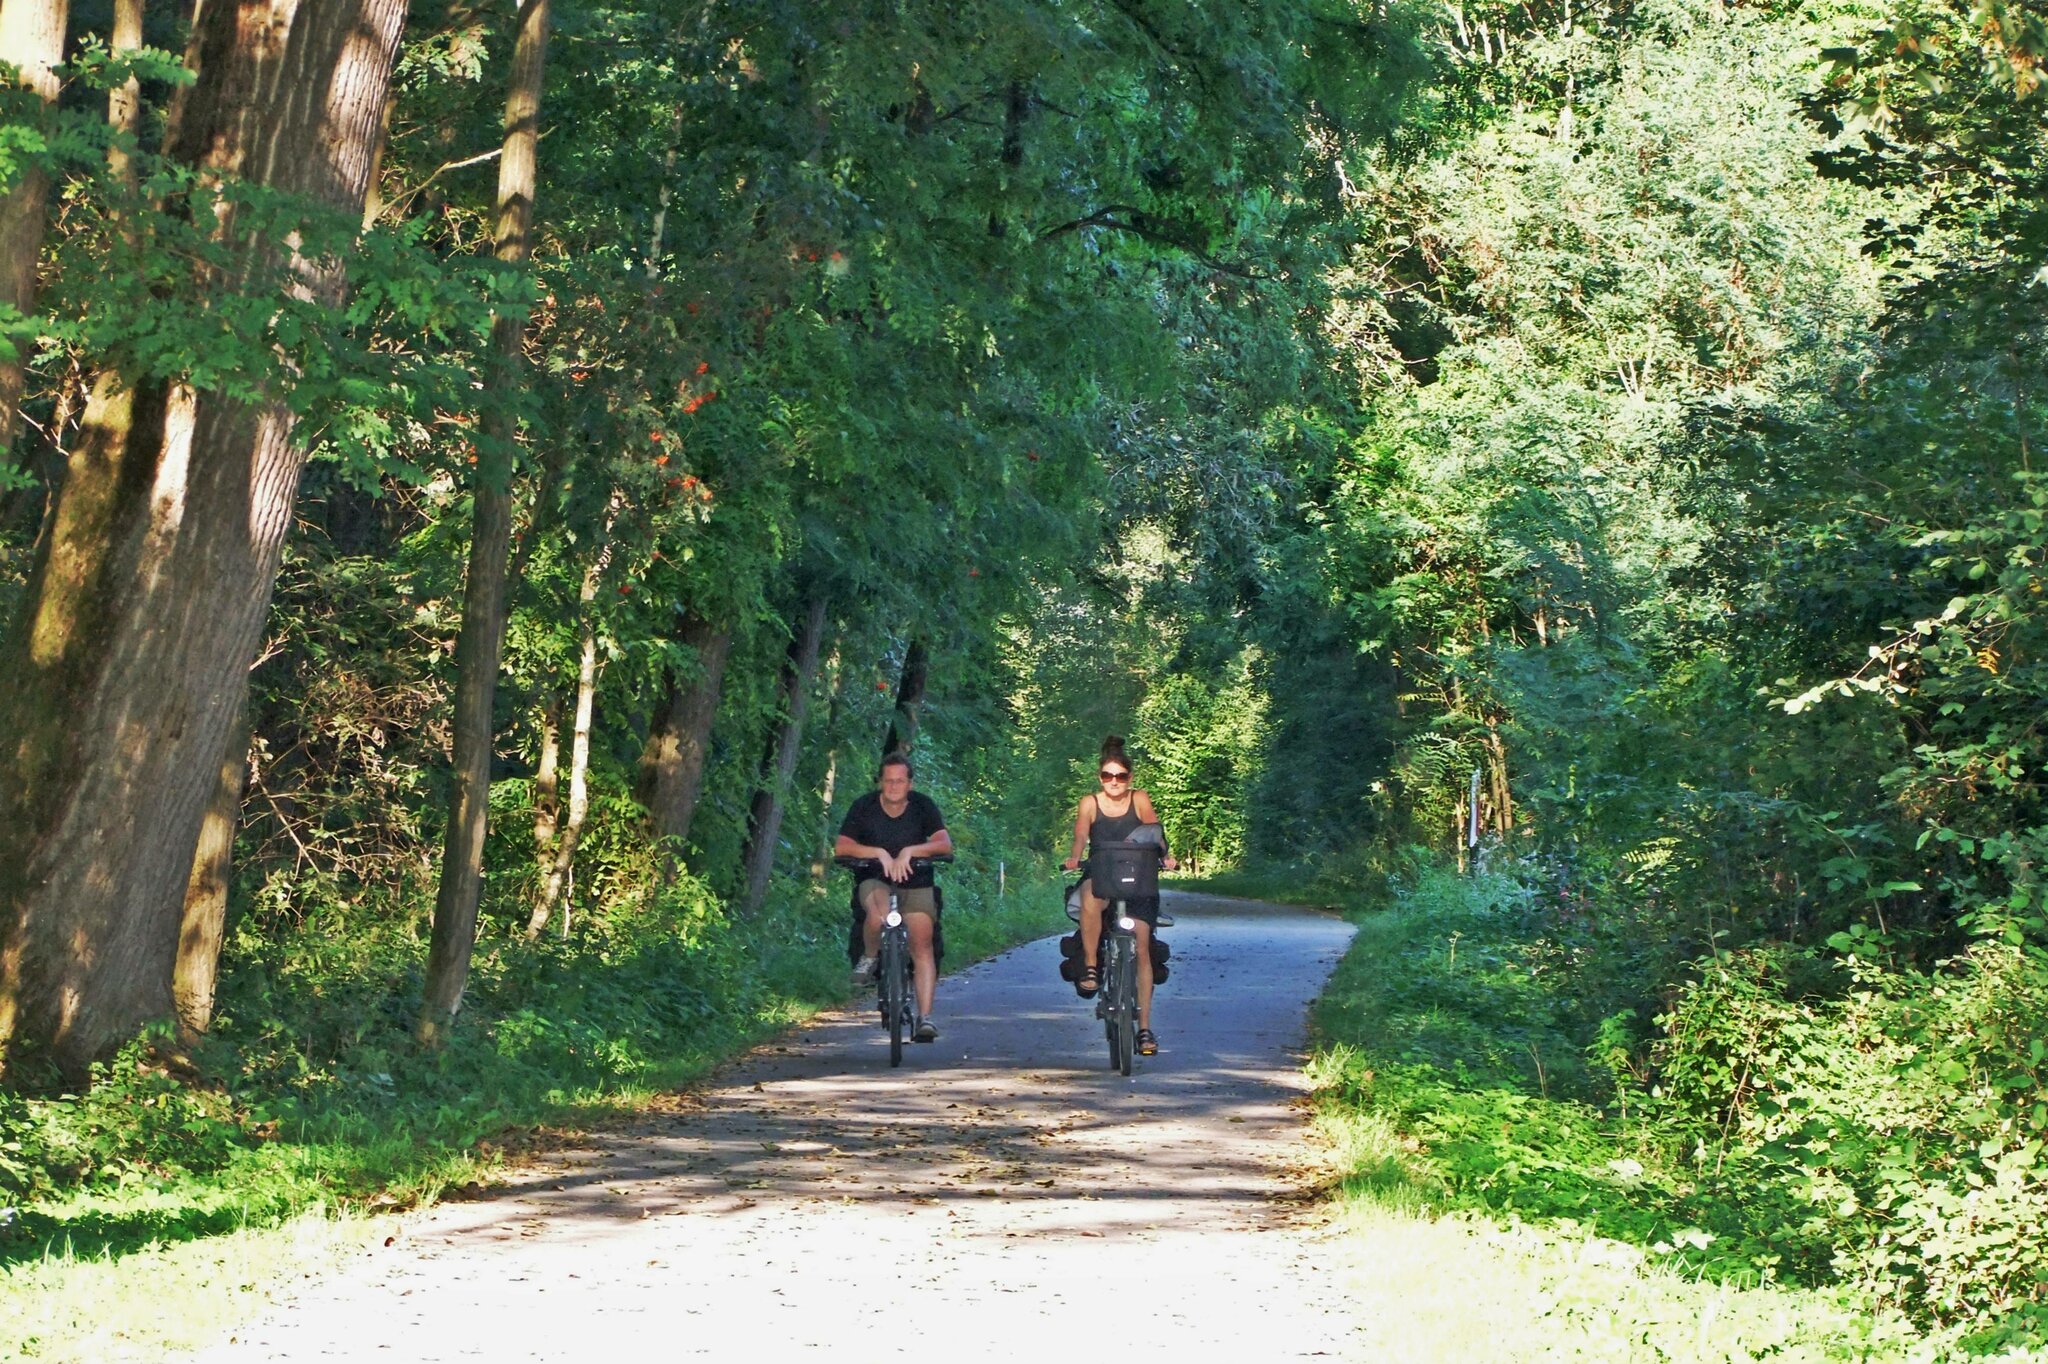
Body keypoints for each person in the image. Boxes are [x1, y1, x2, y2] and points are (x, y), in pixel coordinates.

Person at [1062, 736, 1178, 1056]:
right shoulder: (1090, 802)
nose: (1114, 782)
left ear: (1130, 778)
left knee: (1142, 947)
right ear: (1100, 778)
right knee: (1089, 898)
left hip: (1137, 874)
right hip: (1101, 870)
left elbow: (1154, 831)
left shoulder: (1139, 799)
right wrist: (1074, 857)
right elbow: (1081, 834)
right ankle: (1089, 965)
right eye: (1107, 776)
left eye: (1121, 776)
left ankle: (1144, 1029)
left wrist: (1166, 857)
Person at [835, 753, 954, 1042]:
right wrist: (878, 853)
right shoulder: (863, 807)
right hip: (874, 878)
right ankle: (870, 956)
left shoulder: (923, 806)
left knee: (922, 941)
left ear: (910, 784)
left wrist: (910, 852)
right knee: (876, 916)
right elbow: (842, 847)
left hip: (917, 881)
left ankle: (925, 1018)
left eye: (900, 781)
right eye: (888, 781)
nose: (893, 786)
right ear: (880, 782)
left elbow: (943, 843)